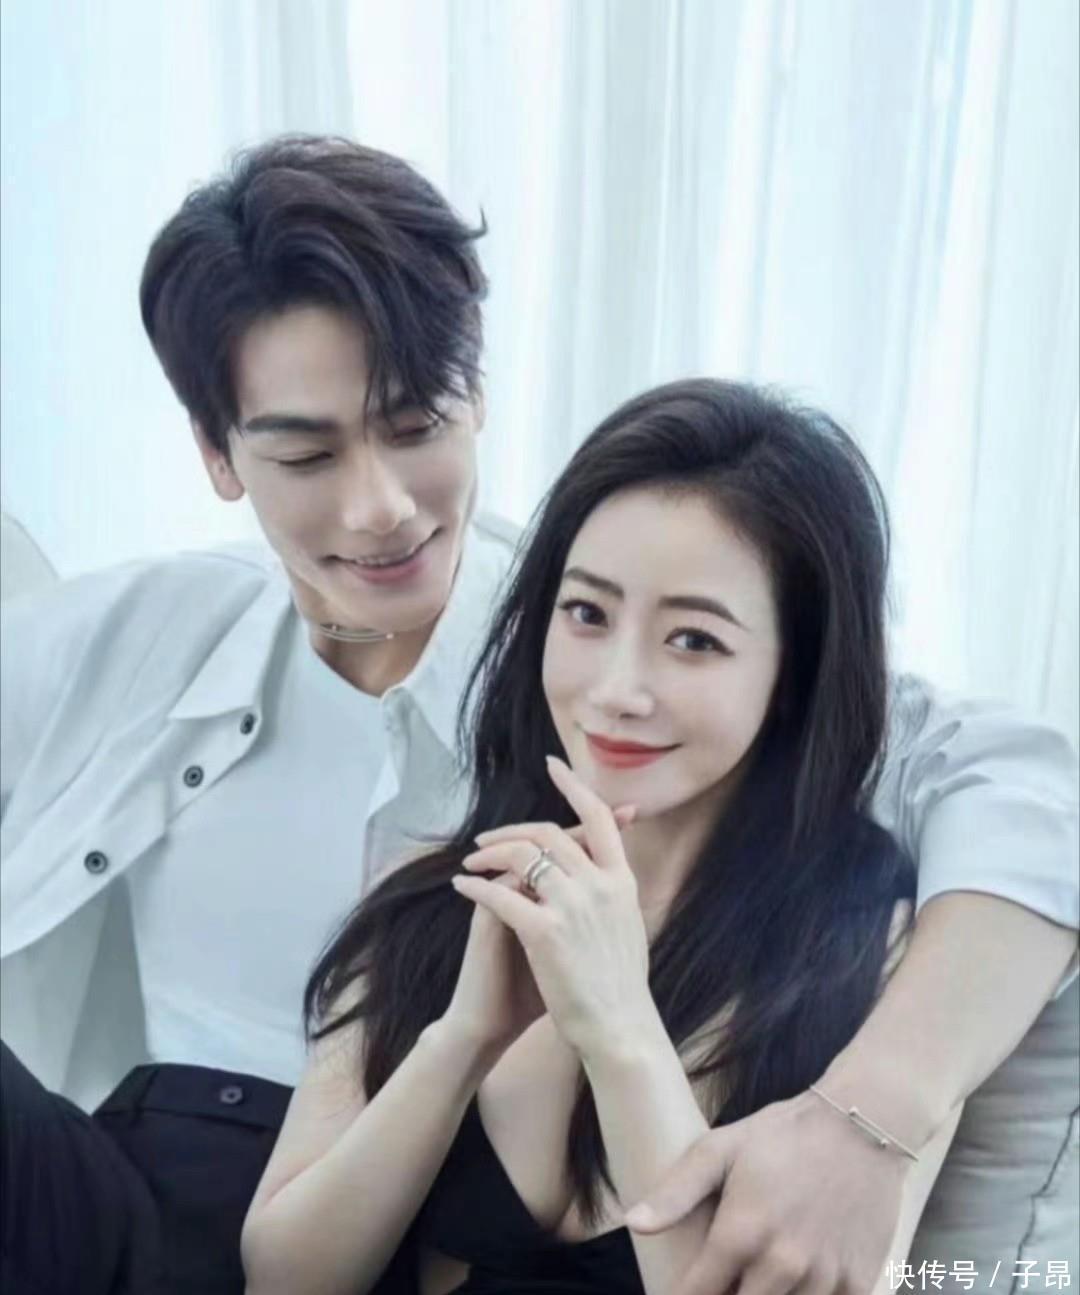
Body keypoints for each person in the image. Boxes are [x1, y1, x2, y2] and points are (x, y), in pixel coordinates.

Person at [0, 137, 1076, 1295]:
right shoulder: (156, 635)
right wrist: (463, 1033)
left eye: (415, 425)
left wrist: (879, 1101)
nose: (379, 507)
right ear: (219, 454)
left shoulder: (617, 634)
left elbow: (1012, 778)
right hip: (137, 1180)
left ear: (477, 399)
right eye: (307, 453)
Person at [240, 378, 965, 1293]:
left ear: (795, 671)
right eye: (586, 613)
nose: (617, 689)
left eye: (694, 640)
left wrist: (618, 1026)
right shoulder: (440, 891)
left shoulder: (885, 974)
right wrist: (463, 1039)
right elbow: (283, 1276)